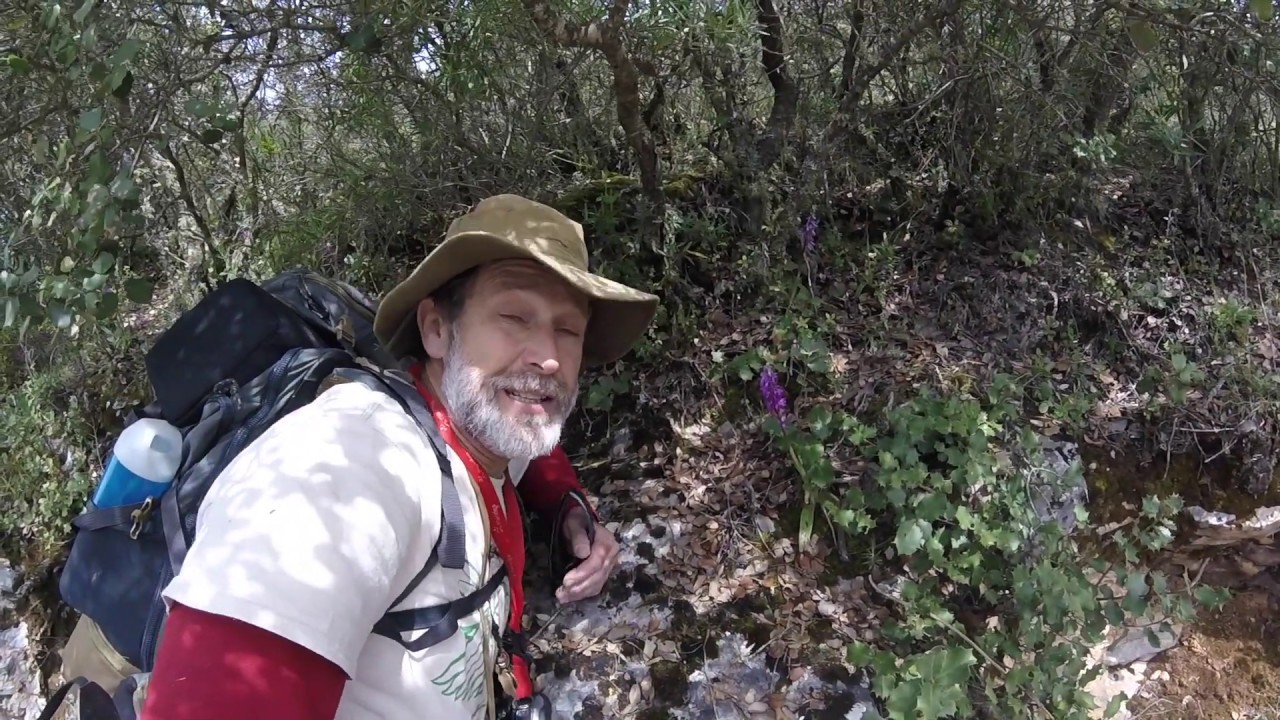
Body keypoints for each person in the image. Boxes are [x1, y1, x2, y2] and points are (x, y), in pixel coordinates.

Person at [138, 194, 659, 720]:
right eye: (513, 316)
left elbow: (532, 455)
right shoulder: (348, 463)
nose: (547, 356)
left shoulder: (472, 427)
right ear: (437, 329)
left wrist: (573, 512)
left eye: (567, 329)